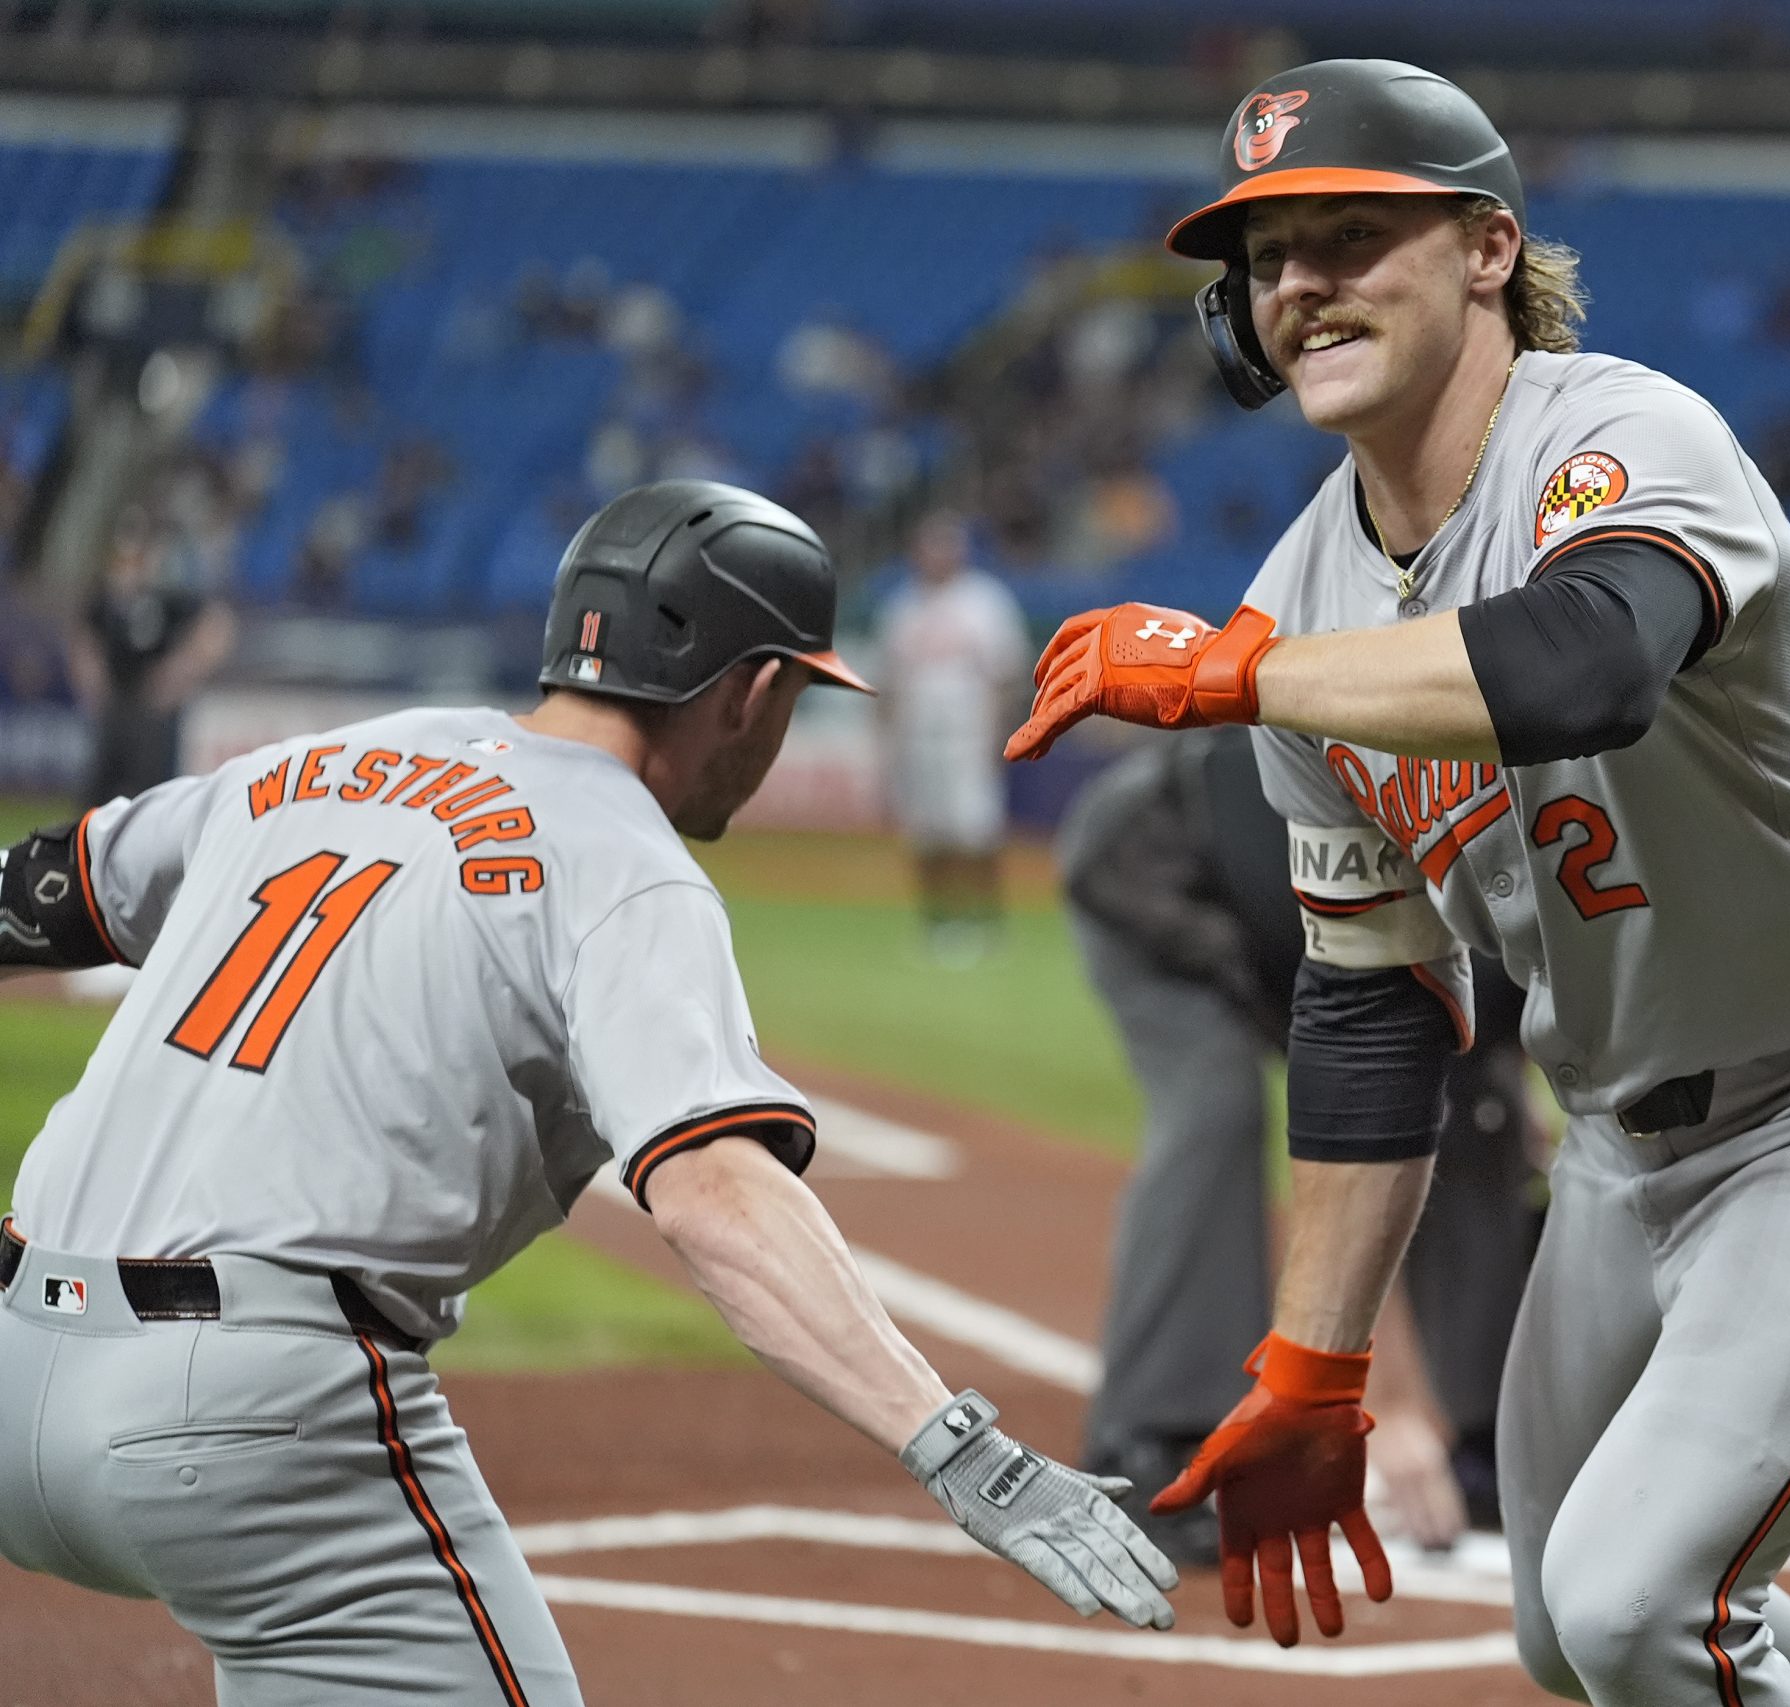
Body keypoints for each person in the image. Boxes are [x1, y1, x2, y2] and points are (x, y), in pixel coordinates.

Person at [1005, 60, 1790, 1706]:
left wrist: (1244, 685)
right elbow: (1372, 1008)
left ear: (1488, 249)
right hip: (1626, 1152)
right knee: (1574, 1639)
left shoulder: (1618, 434)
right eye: (1268, 261)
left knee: (1644, 1604)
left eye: (1352, 236)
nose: (1299, 286)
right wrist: (1313, 1364)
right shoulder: (1293, 601)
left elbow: (1586, 664)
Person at [0, 480, 1175, 1704]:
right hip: (236, 1420)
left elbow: (41, 891)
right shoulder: (626, 865)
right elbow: (715, 1196)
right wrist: (957, 1448)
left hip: (17, 1348)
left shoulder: (319, 761)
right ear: (753, 690)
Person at [1055, 724, 1537, 1561]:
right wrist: (1368, 1403)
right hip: (1165, 867)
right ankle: (1156, 1441)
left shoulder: (1548, 893)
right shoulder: (1411, 847)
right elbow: (1351, 1141)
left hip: (1306, 904)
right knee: (1216, 1107)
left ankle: (1487, 1430)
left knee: (1485, 1114)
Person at [875, 509, 1028, 962]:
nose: (936, 557)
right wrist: (887, 744)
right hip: (918, 738)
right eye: (928, 548)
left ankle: (986, 924)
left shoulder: (985, 602)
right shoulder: (903, 606)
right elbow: (891, 682)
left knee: (977, 832)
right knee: (928, 834)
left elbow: (1005, 676)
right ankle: (938, 925)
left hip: (968, 735)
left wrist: (1001, 735)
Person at [65, 508, 236, 807]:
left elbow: (216, 624)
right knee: (98, 791)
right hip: (116, 702)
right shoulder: (109, 597)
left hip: (153, 709)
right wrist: (92, 678)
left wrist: (181, 671)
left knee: (151, 792)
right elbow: (85, 636)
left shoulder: (169, 594)